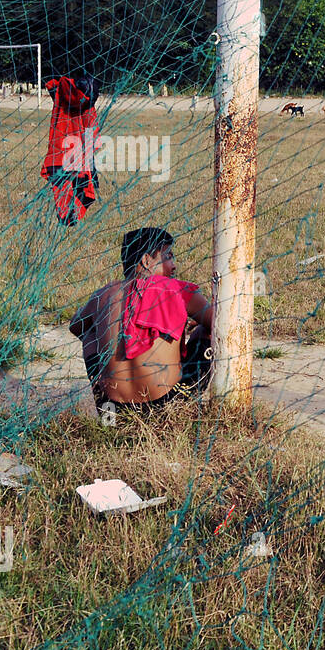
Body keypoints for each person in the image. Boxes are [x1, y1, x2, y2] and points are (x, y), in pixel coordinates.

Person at [70, 228, 215, 415]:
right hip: (167, 405)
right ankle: (186, 412)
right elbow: (223, 325)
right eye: (168, 256)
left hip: (113, 408)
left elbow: (77, 327)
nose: (173, 266)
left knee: (91, 337)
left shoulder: (104, 294)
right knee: (207, 332)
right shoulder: (176, 289)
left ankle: (108, 420)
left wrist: (112, 333)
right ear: (146, 261)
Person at [41, 71, 100, 225]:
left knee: (62, 190)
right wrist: (91, 165)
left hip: (58, 155)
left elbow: (51, 84)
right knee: (83, 189)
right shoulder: (88, 107)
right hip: (78, 157)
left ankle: (67, 218)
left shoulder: (61, 91)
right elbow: (91, 134)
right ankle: (72, 218)